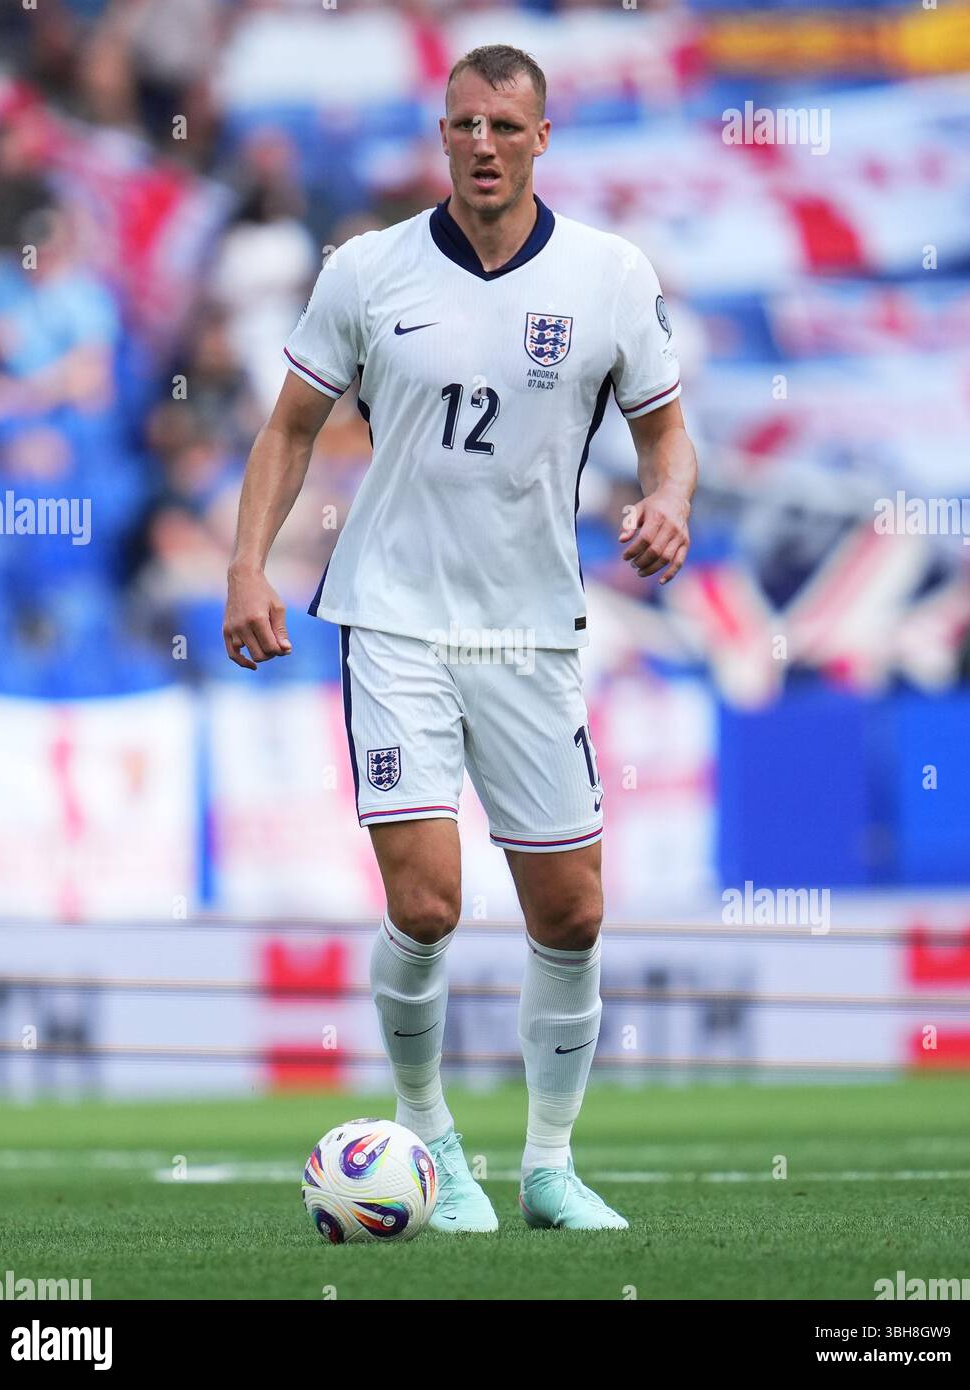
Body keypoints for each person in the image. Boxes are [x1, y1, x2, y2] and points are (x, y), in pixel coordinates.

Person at [224, 44, 697, 1232]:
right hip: (391, 616)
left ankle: (547, 1163)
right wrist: (247, 568)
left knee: (573, 913)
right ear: (440, 136)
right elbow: (289, 428)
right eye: (461, 124)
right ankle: (428, 1131)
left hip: (530, 630)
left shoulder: (607, 276)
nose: (480, 143)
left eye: (502, 125)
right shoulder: (366, 270)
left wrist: (668, 501)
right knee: (428, 902)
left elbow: (667, 434)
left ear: (542, 139)